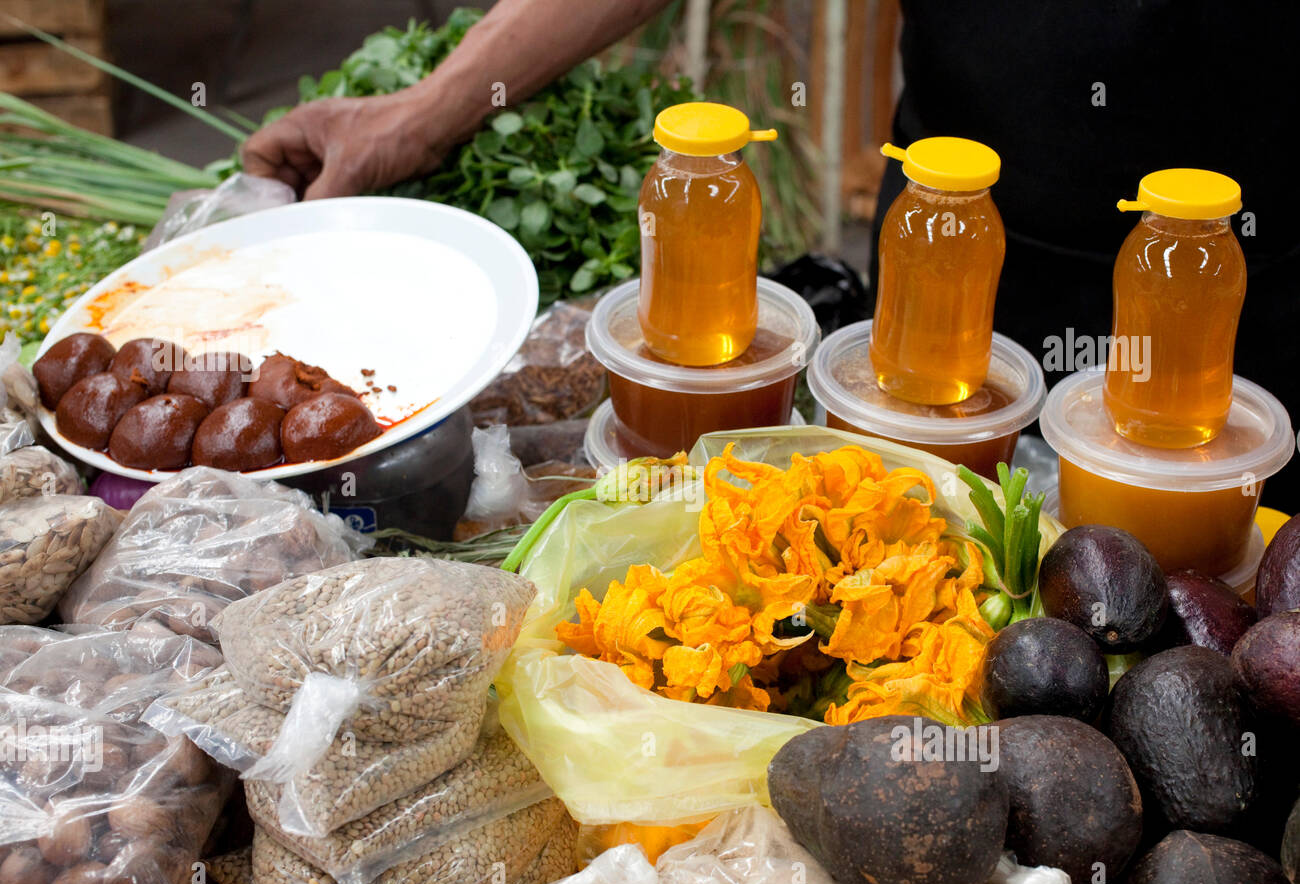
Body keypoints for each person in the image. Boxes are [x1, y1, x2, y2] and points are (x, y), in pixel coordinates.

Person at [245, 0, 1299, 508]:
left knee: (1231, 627)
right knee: (935, 559)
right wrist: (428, 115)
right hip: (963, 245)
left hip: (1259, 310)